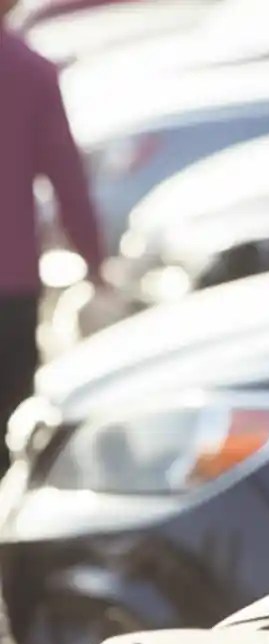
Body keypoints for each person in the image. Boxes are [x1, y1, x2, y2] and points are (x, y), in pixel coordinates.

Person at [0, 0, 103, 477]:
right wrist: (95, 263)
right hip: (10, 285)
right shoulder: (29, 71)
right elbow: (67, 179)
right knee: (11, 424)